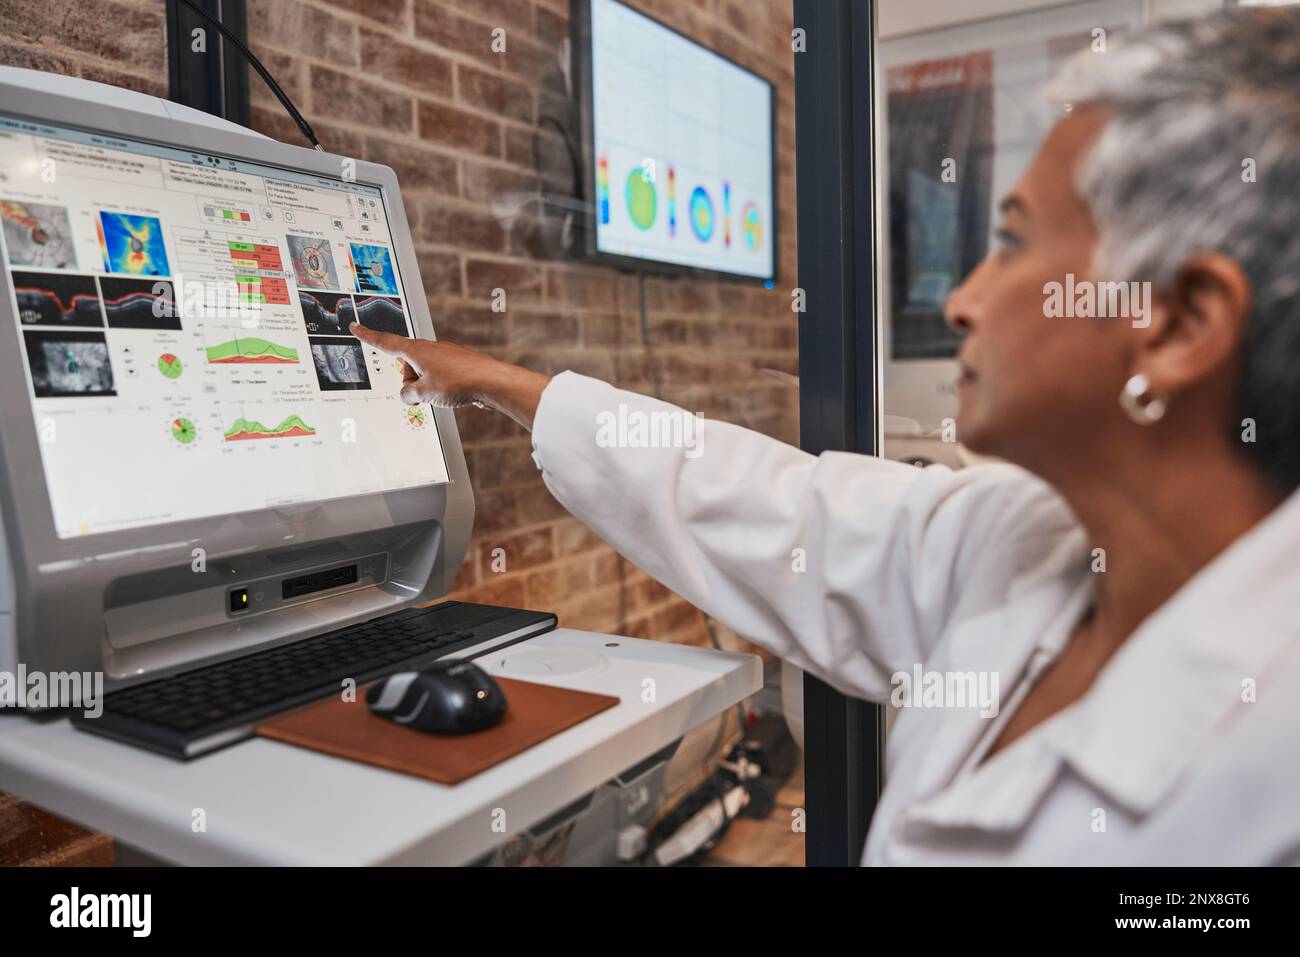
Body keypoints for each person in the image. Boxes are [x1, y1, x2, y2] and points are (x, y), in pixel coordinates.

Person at [351, 6, 1300, 864]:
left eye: (1012, 243)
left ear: (1177, 324)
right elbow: (773, 504)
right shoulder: (1020, 544)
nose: (965, 300)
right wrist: (495, 379)